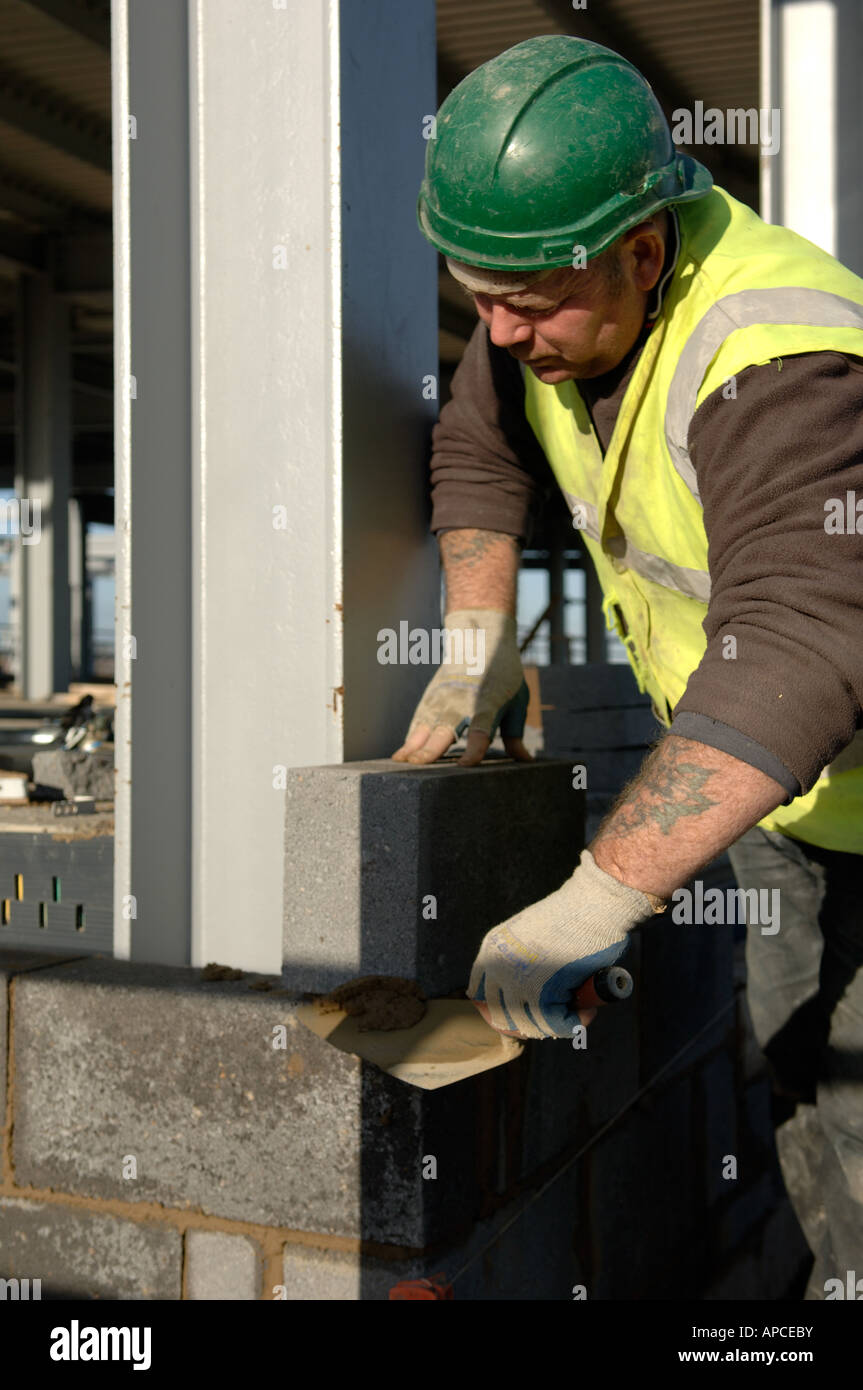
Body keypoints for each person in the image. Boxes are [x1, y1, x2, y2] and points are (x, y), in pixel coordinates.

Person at [392, 34, 863, 1298]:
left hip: (840, 772)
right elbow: (479, 449)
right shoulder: (542, 302)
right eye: (474, 294)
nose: (499, 333)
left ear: (644, 252)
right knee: (794, 1079)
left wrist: (598, 898)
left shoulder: (777, 354)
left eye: (528, 304)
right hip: (790, 804)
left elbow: (805, 640)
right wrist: (476, 644)